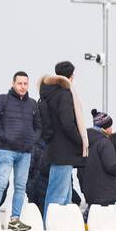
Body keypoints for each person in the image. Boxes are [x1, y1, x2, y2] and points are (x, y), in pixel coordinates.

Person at [0, 71, 41, 231]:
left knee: (21, 186)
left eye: (25, 84)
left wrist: (32, 140)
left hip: (25, 152)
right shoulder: (3, 99)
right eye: (20, 83)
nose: (23, 87)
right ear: (13, 83)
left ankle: (15, 219)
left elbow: (39, 126)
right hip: (7, 150)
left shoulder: (32, 103)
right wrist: (4, 136)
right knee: (1, 183)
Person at [39, 61, 88, 210]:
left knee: (65, 197)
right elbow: (67, 123)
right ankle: (51, 228)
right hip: (64, 151)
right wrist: (80, 140)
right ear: (71, 76)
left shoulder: (49, 93)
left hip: (56, 150)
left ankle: (57, 227)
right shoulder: (64, 94)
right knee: (58, 197)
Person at [79, 111, 116, 211]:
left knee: (95, 223)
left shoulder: (85, 142)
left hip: (90, 194)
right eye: (110, 126)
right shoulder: (105, 143)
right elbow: (111, 166)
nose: (112, 129)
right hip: (106, 195)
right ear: (105, 127)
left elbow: (80, 170)